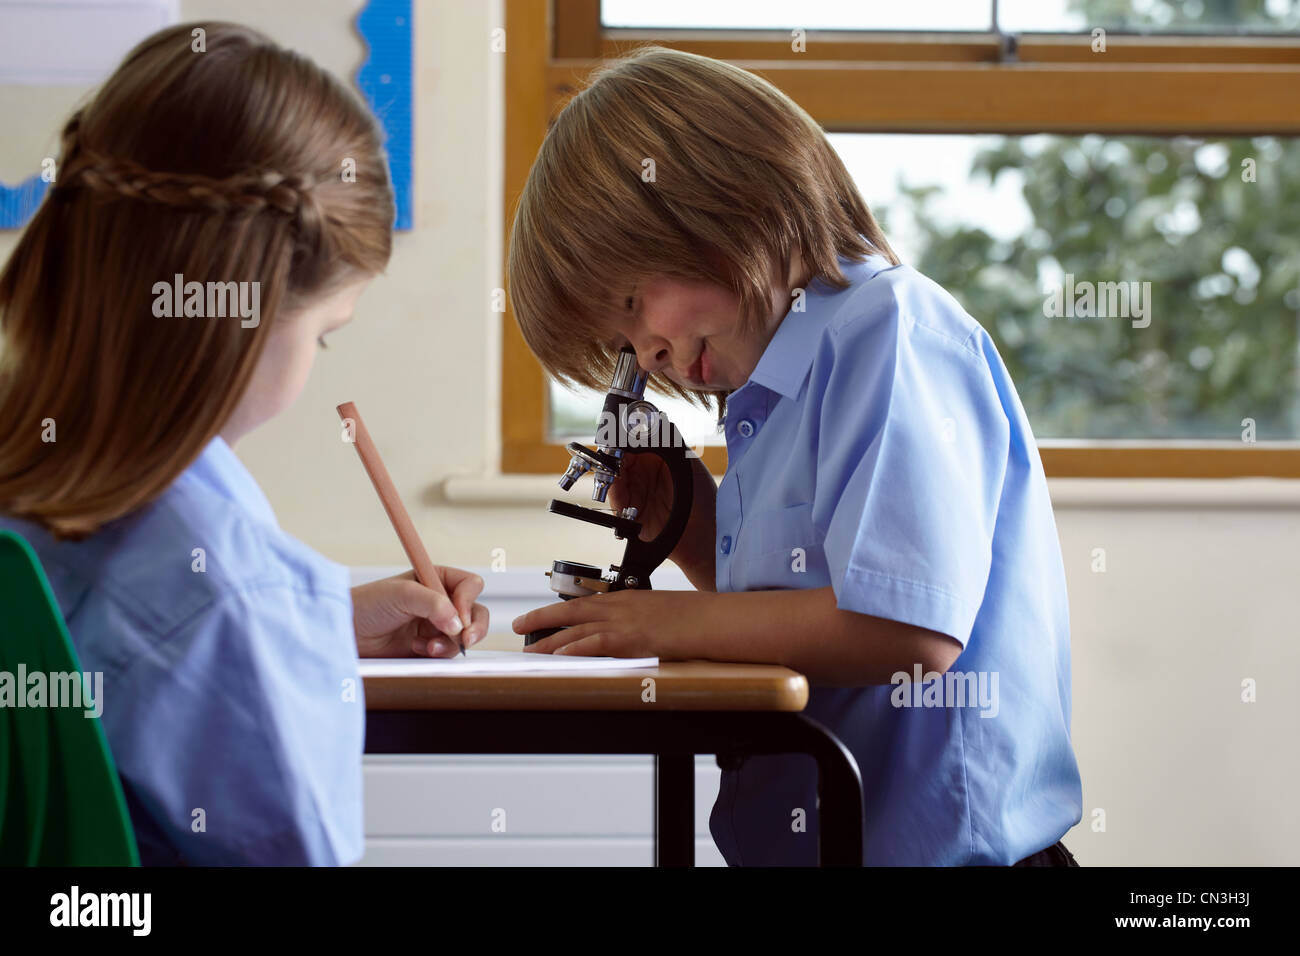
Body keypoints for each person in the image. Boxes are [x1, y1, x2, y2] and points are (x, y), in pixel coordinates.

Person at [507, 47, 1082, 866]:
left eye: (636, 304)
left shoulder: (889, 334)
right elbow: (795, 614)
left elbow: (905, 628)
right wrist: (687, 519)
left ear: (723, 199)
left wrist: (655, 621)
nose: (651, 352)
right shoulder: (766, 397)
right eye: (624, 342)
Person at [0, 22, 486, 865]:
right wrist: (274, 614)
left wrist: (325, 617)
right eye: (324, 334)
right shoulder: (231, 594)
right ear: (242, 319)